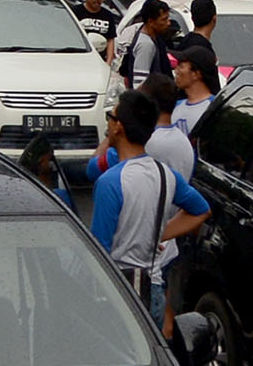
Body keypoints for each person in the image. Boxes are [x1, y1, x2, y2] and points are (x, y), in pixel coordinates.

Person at [87, 91, 209, 315]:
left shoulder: (110, 182)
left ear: (118, 127)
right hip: (152, 288)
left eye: (110, 117)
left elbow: (99, 250)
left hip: (120, 294)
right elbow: (200, 211)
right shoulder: (166, 174)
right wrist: (156, 235)